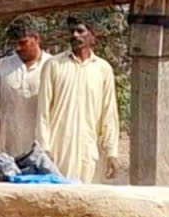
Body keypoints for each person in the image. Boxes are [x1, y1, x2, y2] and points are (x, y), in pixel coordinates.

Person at [35, 17, 120, 183]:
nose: (75, 35)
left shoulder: (103, 69)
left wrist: (112, 153)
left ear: (92, 36)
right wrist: (44, 149)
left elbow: (109, 114)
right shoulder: (54, 65)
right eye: (72, 31)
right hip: (58, 149)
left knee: (87, 200)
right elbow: (43, 112)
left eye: (80, 31)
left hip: (89, 149)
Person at [0, 18, 51, 156]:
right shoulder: (4, 66)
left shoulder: (52, 66)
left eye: (22, 42)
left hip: (43, 153)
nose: (17, 48)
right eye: (14, 44)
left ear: (36, 38)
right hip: (7, 153)